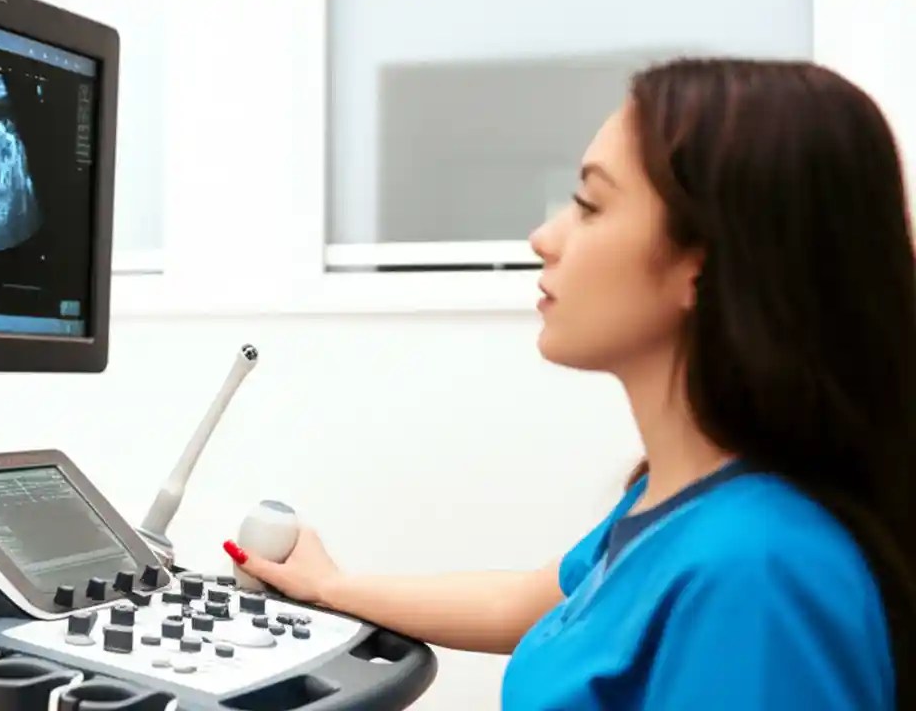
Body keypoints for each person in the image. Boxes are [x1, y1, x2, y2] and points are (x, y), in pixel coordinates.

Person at [223, 57, 916, 710]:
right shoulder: (677, 502)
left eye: (588, 205)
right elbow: (524, 604)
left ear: (701, 265)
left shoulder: (757, 575)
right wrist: (330, 588)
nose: (543, 237)